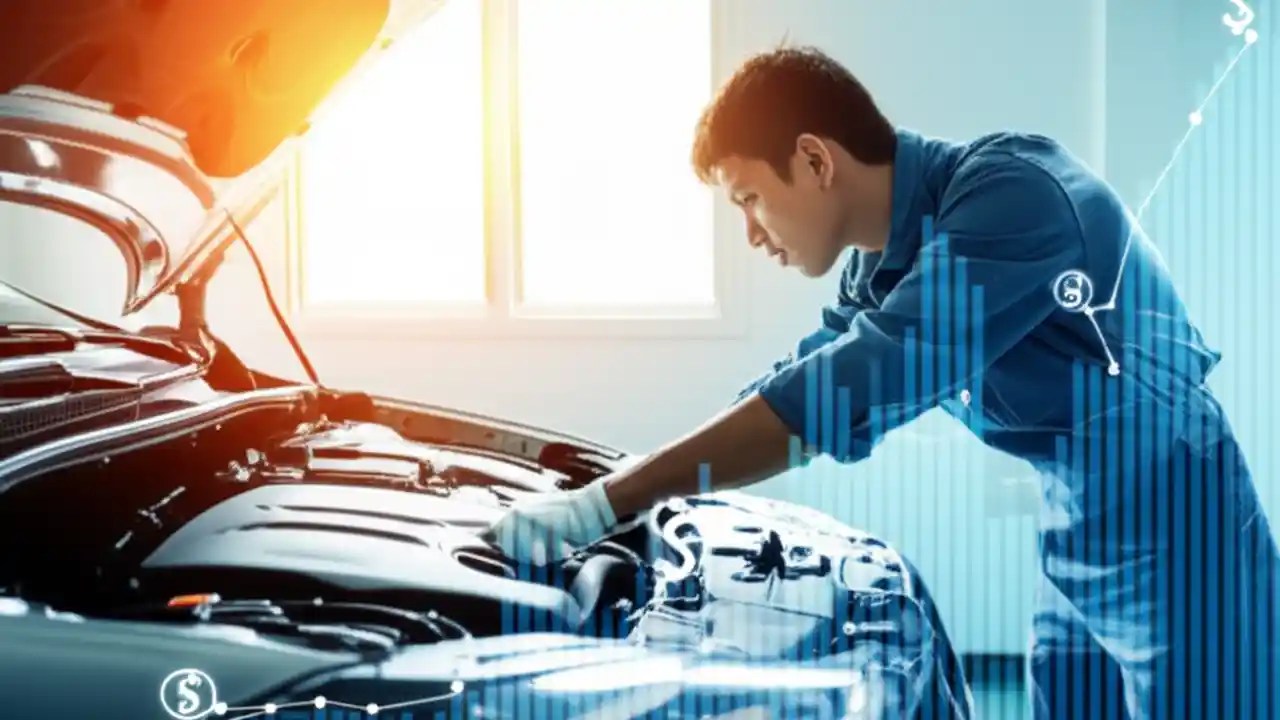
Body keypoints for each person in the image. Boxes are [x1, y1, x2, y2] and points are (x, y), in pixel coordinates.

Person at [487, 46, 1280, 719]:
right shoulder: (881, 265)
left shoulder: (1013, 199)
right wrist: (637, 479)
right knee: (1068, 699)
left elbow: (845, 388)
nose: (752, 232)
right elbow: (799, 374)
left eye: (750, 199)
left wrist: (610, 503)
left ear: (814, 159)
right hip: (1076, 506)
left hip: (1177, 509)